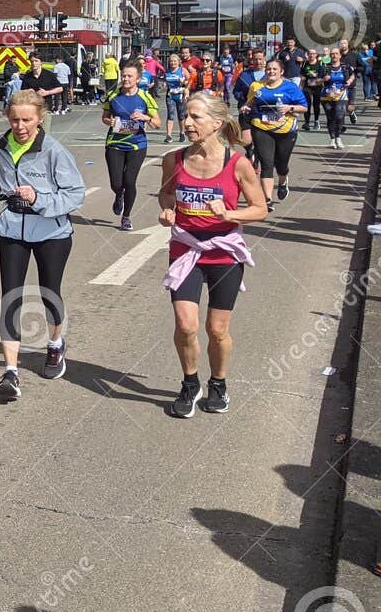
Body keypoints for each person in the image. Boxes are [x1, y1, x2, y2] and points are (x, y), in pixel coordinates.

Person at [158, 94, 267, 418]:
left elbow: (260, 209)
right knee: (185, 324)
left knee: (217, 329)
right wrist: (167, 210)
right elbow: (165, 192)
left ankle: (218, 383)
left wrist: (231, 215)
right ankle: (190, 383)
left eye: (195, 117)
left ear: (217, 124)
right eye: (186, 116)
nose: (187, 123)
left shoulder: (238, 164)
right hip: (186, 249)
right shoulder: (174, 159)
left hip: (224, 253)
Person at [0, 89, 86, 401]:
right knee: (11, 297)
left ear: (40, 119)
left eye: (26, 120)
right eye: (14, 120)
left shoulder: (53, 151)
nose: (20, 126)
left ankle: (54, 345)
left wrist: (39, 198)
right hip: (12, 228)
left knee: (49, 295)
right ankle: (10, 371)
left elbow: (75, 193)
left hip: (52, 232)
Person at [102, 65, 160, 231]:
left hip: (137, 144)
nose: (126, 79)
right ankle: (118, 194)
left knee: (130, 181)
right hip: (115, 143)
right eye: (124, 76)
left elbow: (157, 123)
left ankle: (126, 217)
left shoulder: (145, 97)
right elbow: (105, 117)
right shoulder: (113, 95)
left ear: (138, 79)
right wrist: (110, 122)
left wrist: (145, 117)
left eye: (130, 76)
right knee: (116, 183)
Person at [245, 58, 308, 209]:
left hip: (285, 130)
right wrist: (246, 107)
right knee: (267, 163)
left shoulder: (290, 87)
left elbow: (304, 107)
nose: (271, 72)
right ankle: (267, 199)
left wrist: (289, 108)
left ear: (281, 72)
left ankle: (283, 181)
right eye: (268, 69)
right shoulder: (256, 86)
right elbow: (250, 102)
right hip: (261, 127)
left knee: (281, 165)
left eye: (274, 69)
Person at [18, 51, 63, 120]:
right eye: (32, 61)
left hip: (45, 108)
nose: (34, 63)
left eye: (36, 61)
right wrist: (31, 92)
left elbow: (60, 88)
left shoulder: (49, 74)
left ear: (41, 62)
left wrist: (47, 92)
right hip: (32, 109)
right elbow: (22, 92)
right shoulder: (27, 76)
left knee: (44, 130)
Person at [320, 54, 351, 148]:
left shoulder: (345, 67)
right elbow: (315, 80)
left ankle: (338, 137)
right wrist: (323, 79)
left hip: (341, 95)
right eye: (332, 54)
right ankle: (332, 139)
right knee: (330, 118)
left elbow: (353, 75)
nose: (334, 55)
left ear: (339, 56)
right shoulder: (324, 67)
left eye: (336, 53)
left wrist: (349, 81)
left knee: (340, 115)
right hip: (327, 95)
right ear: (330, 56)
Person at [162, 52, 190, 143]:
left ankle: (182, 133)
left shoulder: (182, 70)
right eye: (171, 61)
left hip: (180, 95)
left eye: (174, 61)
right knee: (170, 115)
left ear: (178, 62)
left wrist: (184, 82)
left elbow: (190, 81)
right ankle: (168, 135)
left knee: (181, 115)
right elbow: (165, 81)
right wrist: (165, 84)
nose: (172, 63)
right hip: (170, 95)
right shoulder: (167, 71)